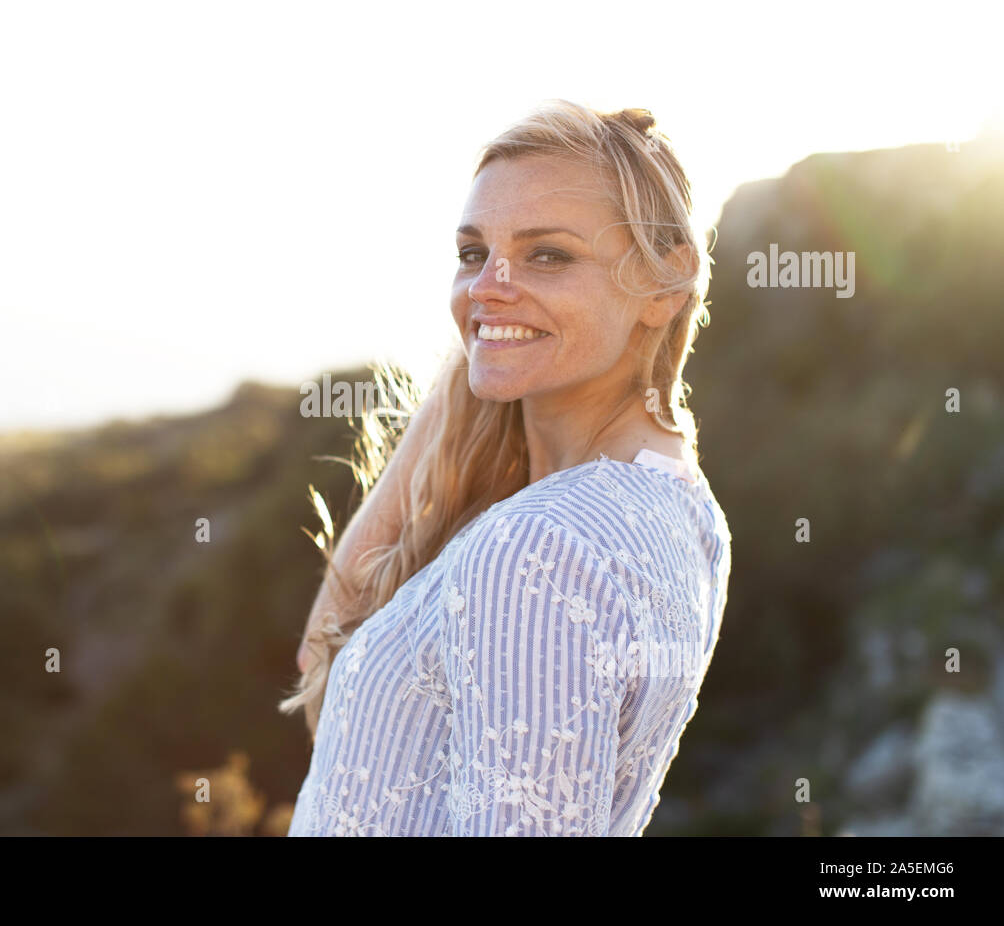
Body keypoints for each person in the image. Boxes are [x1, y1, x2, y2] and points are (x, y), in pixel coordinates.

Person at [280, 100, 732, 836]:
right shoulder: (689, 509)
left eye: (547, 254)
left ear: (664, 282)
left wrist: (493, 337)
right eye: (471, 254)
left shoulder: (537, 548)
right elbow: (324, 658)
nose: (487, 283)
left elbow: (317, 658)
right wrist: (488, 346)